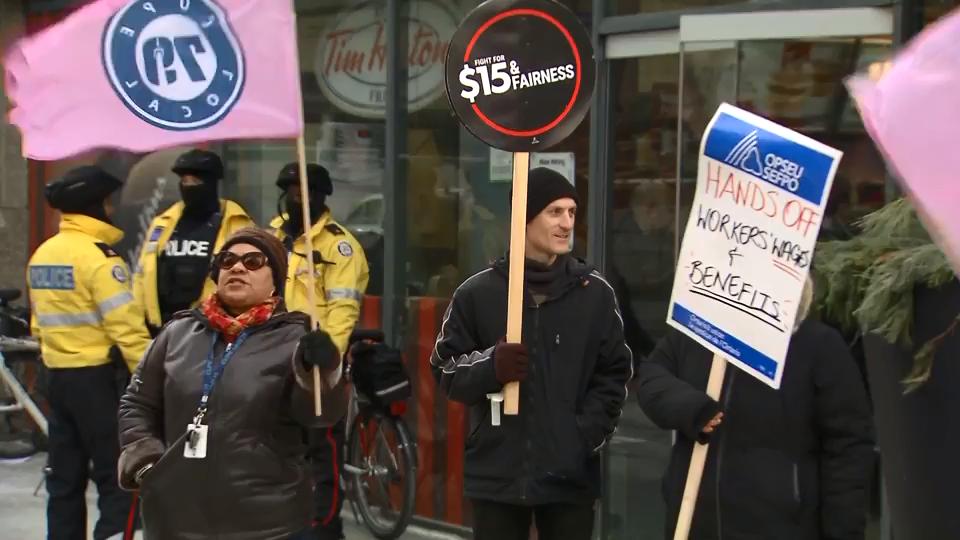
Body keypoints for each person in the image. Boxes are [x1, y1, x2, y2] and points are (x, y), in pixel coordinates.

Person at [430, 167, 633, 540]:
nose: (566, 223)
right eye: (554, 212)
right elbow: (445, 370)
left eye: (572, 212)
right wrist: (491, 365)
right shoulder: (479, 293)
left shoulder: (594, 294)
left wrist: (584, 434)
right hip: (497, 475)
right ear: (524, 217)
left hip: (569, 477)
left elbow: (615, 374)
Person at [117, 228, 349, 540]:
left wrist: (322, 369)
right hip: (174, 521)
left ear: (275, 281)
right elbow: (138, 403)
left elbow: (320, 416)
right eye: (227, 261)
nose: (237, 268)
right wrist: (146, 465)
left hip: (268, 523)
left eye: (253, 261)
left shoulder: (297, 338)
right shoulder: (177, 333)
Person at [635, 277, 875, 539]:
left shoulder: (818, 345)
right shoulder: (700, 331)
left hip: (778, 526)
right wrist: (693, 410)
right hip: (695, 519)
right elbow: (652, 378)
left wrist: (843, 532)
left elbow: (847, 446)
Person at [27, 165, 151, 540]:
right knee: (120, 479)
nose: (112, 210)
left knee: (64, 480)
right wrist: (152, 381)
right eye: (108, 203)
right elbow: (126, 331)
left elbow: (38, 326)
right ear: (94, 206)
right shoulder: (100, 259)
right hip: (98, 382)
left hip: (57, 378)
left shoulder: (43, 254)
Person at [268, 162, 369, 540]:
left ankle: (324, 529)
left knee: (322, 454)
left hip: (316, 366)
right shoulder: (271, 237)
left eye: (306, 191)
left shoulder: (338, 246)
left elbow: (344, 309)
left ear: (322, 197)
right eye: (291, 190)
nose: (298, 197)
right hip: (270, 362)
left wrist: (329, 351)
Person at [133, 148, 254, 336]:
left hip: (213, 330)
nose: (189, 186)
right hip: (161, 330)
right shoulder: (162, 223)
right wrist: (137, 328)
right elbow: (143, 276)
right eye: (184, 181)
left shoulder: (237, 225)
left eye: (196, 181)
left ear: (212, 183)